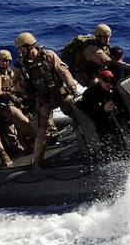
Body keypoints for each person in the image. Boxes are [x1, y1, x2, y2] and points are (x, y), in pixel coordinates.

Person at [13, 31, 83, 168]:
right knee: (42, 132)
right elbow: (15, 84)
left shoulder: (49, 56)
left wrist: (72, 87)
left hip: (59, 93)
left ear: (29, 47)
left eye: (21, 48)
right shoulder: (20, 65)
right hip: (43, 99)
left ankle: (89, 144)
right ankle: (37, 162)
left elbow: (63, 71)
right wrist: (22, 85)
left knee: (79, 116)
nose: (20, 51)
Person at [78, 69, 130, 157]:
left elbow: (122, 104)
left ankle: (127, 150)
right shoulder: (91, 93)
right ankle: (114, 154)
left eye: (111, 81)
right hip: (100, 121)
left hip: (114, 118)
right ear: (99, 80)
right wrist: (103, 109)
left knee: (127, 122)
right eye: (106, 81)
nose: (109, 84)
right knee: (111, 134)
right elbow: (88, 113)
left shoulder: (113, 89)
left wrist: (117, 107)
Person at [0, 48, 35, 156]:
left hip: (13, 102)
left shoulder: (11, 73)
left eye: (6, 60)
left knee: (21, 126)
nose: (4, 62)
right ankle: (20, 153)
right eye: (2, 60)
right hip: (1, 105)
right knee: (12, 132)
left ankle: (28, 147)